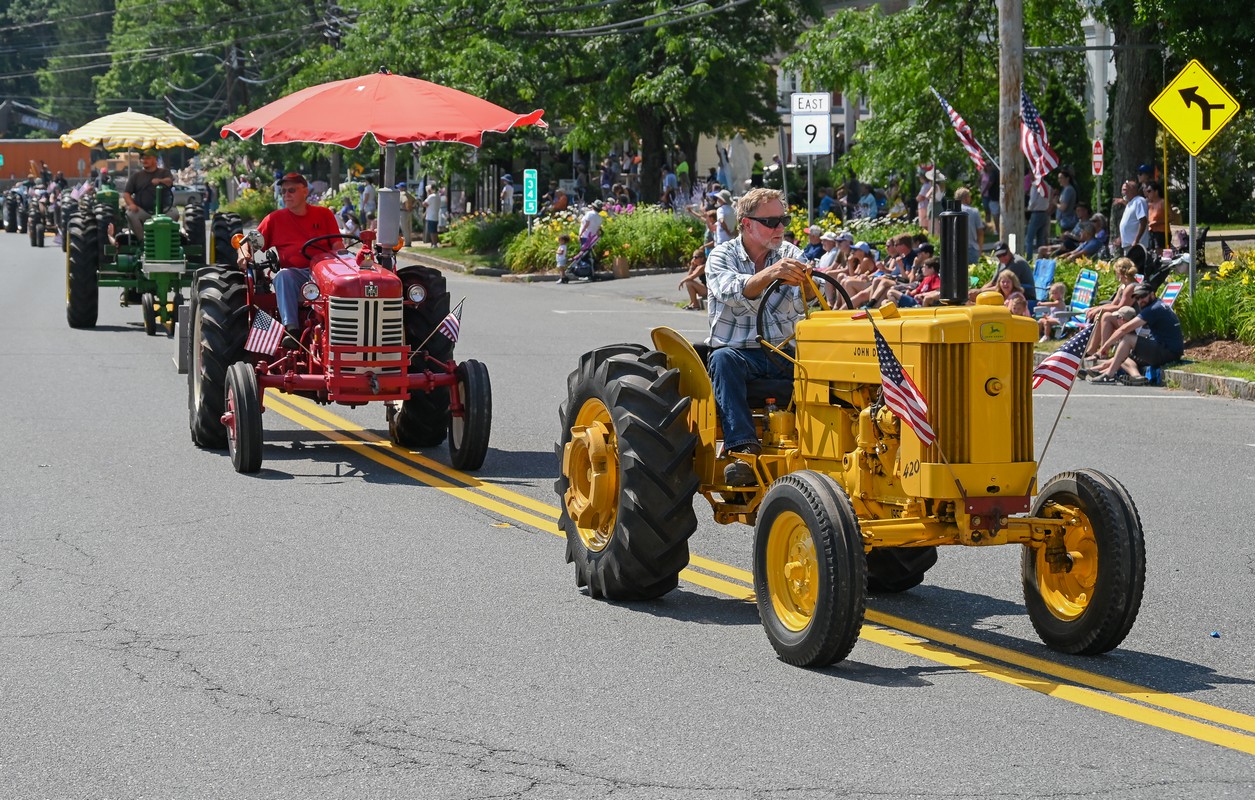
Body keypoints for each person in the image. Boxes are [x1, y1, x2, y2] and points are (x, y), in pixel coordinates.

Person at [704, 187, 808, 486]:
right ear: (746, 224)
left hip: (783, 353)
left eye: (783, 220)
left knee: (828, 365)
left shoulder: (790, 253)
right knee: (723, 361)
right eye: (771, 221)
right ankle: (743, 452)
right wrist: (771, 274)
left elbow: (809, 300)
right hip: (739, 354)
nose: (780, 228)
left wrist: (810, 285)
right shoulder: (722, 255)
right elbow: (732, 292)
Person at [238, 172, 342, 342]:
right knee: (283, 275)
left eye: (291, 190)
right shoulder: (274, 219)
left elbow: (338, 247)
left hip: (324, 273)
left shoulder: (324, 215)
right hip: (297, 275)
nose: (286, 195)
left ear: (305, 192)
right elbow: (248, 243)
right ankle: (291, 330)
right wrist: (243, 254)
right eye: (283, 191)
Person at [1088, 283, 1183, 385]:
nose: (1140, 301)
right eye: (1137, 298)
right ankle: (1135, 376)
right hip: (1169, 350)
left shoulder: (1153, 309)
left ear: (1152, 294)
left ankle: (1108, 375)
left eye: (1143, 296)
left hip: (1168, 352)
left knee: (1128, 338)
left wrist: (1105, 347)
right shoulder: (1158, 304)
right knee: (1124, 354)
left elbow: (1124, 329)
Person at [122, 148, 174, 238]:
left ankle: (167, 239)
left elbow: (169, 181)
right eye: (143, 159)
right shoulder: (136, 176)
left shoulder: (164, 172)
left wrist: (160, 181)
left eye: (147, 158)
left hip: (163, 210)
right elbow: (126, 193)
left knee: (175, 214)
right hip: (142, 210)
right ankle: (142, 240)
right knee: (131, 214)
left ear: (155, 159)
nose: (144, 161)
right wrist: (131, 204)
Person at [1117, 178, 1149, 252]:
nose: (1122, 192)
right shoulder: (1130, 203)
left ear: (1133, 189)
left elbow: (1143, 221)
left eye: (1124, 190)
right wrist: (1121, 238)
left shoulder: (1139, 201)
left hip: (1136, 245)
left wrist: (1136, 240)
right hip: (1129, 245)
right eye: (1122, 190)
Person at [954, 187, 983, 265]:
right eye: (969, 196)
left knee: (958, 275)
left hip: (956, 249)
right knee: (974, 275)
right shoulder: (974, 211)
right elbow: (980, 232)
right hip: (972, 248)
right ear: (966, 198)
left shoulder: (951, 212)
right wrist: (980, 249)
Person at [1024, 178, 1052, 257]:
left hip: (1036, 212)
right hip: (1044, 212)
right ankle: (1042, 258)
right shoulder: (1047, 185)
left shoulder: (1035, 185)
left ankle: (1028, 258)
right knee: (1041, 239)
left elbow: (1032, 200)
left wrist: (1028, 208)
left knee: (1029, 239)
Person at [1145, 180, 1169, 253]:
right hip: (1151, 232)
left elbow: (1172, 217)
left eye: (1149, 191)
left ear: (1156, 192)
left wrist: (1157, 222)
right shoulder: (1149, 204)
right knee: (1151, 252)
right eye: (1146, 191)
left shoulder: (1163, 202)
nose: (1147, 193)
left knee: (1159, 253)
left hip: (1161, 232)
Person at [398, 182, 415, 246]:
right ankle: (409, 242)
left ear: (402, 188)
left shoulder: (402, 194)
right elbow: (415, 200)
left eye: (399, 187)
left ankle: (407, 243)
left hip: (403, 212)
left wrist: (408, 207)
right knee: (409, 228)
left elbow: (405, 201)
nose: (399, 188)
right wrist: (412, 207)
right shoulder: (408, 194)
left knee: (405, 228)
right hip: (408, 212)